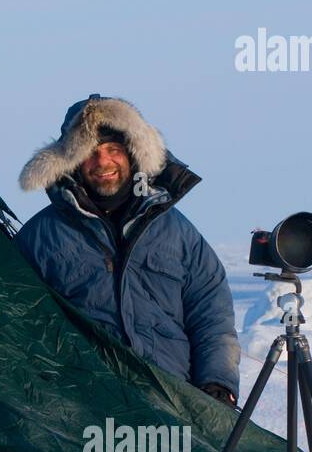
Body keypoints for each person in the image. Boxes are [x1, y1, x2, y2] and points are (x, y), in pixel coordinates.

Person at [15, 94, 239, 405]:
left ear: (133, 154)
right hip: (83, 407)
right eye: (90, 152)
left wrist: (216, 382)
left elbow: (211, 314)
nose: (103, 162)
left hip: (175, 399)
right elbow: (19, 324)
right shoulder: (40, 237)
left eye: (113, 149)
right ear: (73, 161)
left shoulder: (177, 231)